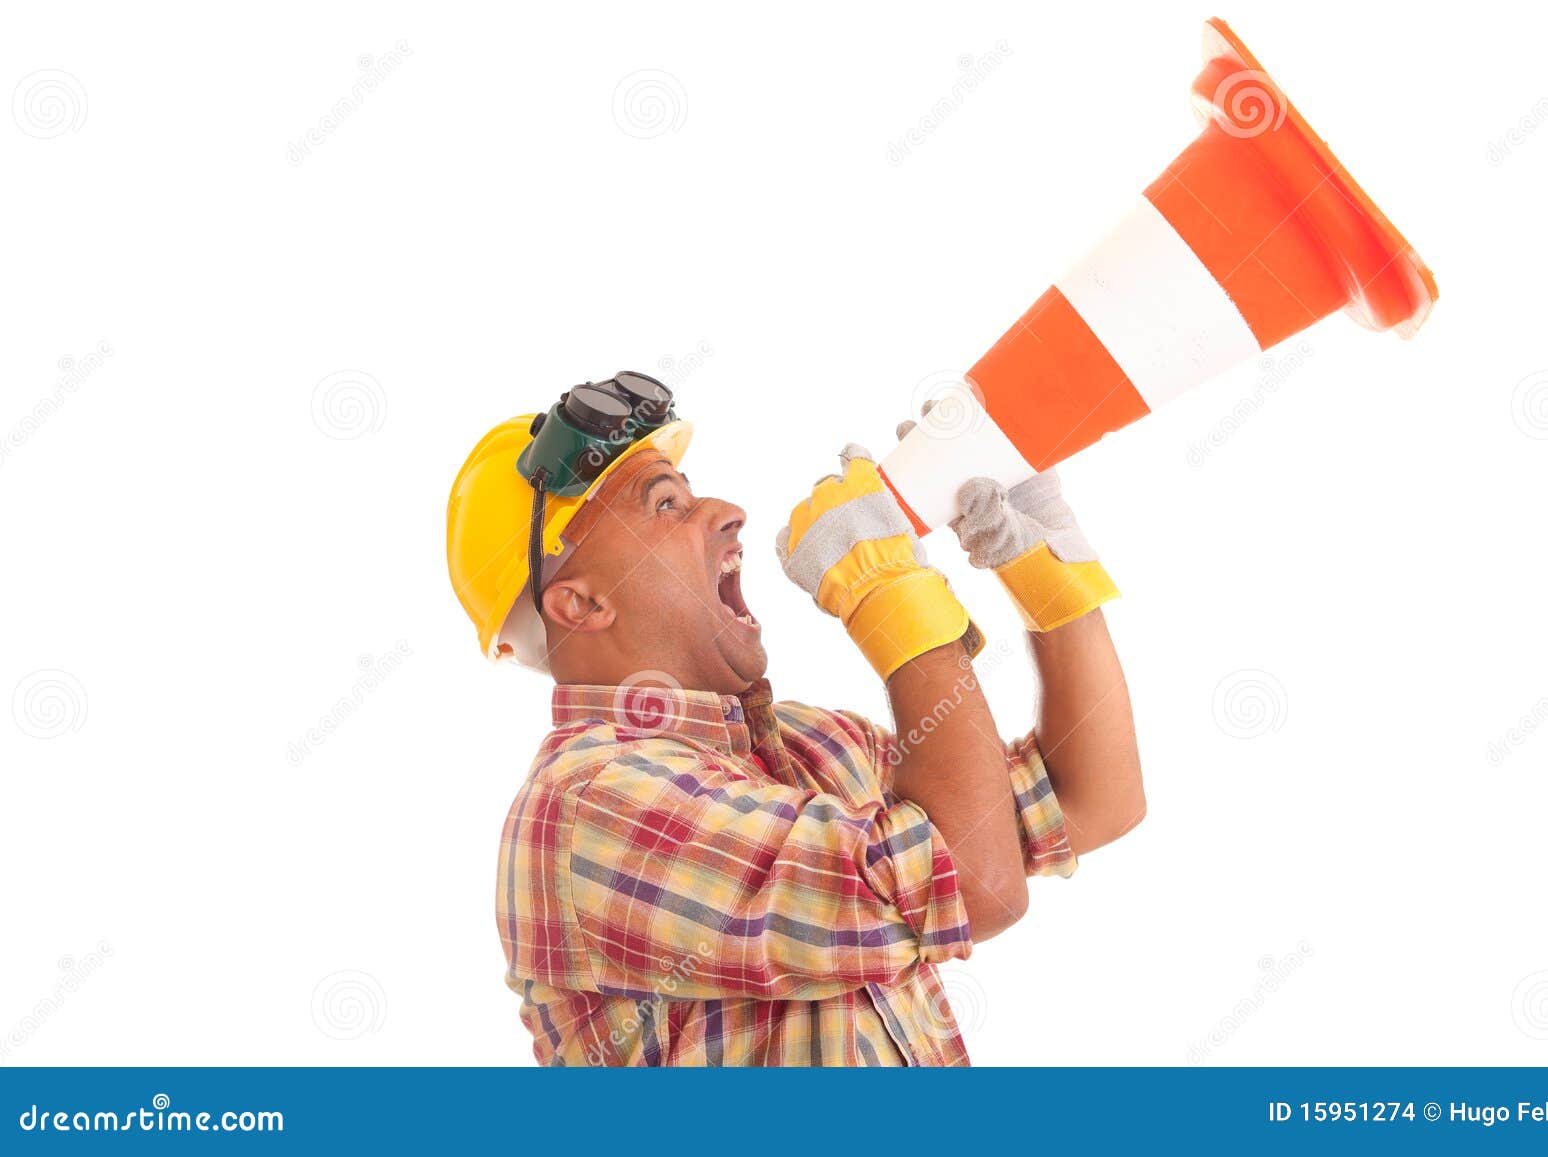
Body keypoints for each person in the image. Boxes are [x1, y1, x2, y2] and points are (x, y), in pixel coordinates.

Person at [445, 371, 1145, 1066]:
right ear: (582, 605)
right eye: (665, 504)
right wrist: (894, 600)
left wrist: (1051, 574)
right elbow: (975, 883)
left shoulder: (816, 747)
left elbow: (1092, 798)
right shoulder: (590, 805)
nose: (726, 511)